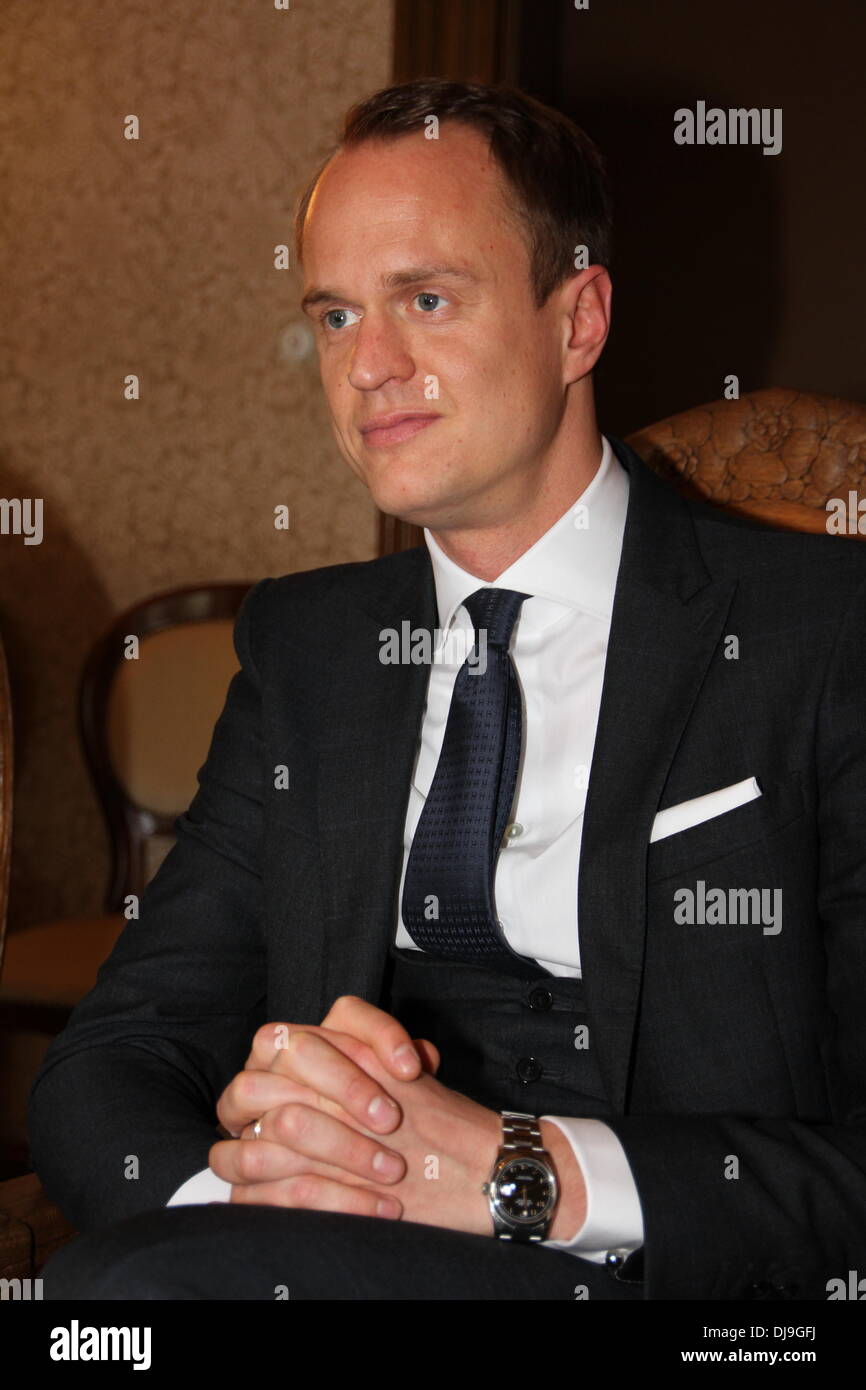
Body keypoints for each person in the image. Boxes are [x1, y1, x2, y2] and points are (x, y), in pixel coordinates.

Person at [31, 79, 866, 1302]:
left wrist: (520, 1173)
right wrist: (261, 1198)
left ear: (576, 321)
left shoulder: (821, 629)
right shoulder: (305, 647)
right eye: (331, 316)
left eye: (425, 299)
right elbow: (114, 1053)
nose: (368, 366)